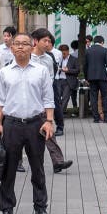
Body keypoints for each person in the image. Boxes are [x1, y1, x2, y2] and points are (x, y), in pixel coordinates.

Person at [0, 32, 55, 214]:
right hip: (11, 124)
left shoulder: (41, 70)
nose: (20, 47)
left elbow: (48, 98)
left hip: (35, 124)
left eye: (24, 44)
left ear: (32, 47)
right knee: (9, 169)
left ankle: (40, 207)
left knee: (37, 168)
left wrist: (49, 121)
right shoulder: (4, 72)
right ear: (12, 48)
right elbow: (0, 101)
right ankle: (7, 208)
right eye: (17, 44)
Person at [31, 29, 73, 173]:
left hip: (43, 102)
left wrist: (48, 103)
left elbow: (49, 80)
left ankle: (58, 162)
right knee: (22, 135)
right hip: (27, 102)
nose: (48, 44)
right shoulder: (27, 56)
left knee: (49, 131)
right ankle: (16, 162)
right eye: (45, 41)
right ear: (35, 41)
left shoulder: (49, 59)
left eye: (49, 41)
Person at [85, 35, 107, 123]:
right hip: (103, 76)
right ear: (102, 42)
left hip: (91, 77)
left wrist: (86, 78)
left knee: (93, 97)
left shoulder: (88, 51)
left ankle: (96, 118)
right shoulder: (104, 50)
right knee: (105, 96)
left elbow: (85, 65)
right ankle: (106, 117)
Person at [57, 44, 80, 115]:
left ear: (67, 51)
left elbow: (77, 70)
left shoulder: (74, 59)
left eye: (63, 53)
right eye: (61, 53)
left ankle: (60, 114)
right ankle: (58, 113)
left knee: (65, 98)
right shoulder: (58, 59)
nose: (62, 55)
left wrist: (68, 70)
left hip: (68, 81)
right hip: (58, 80)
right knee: (57, 98)